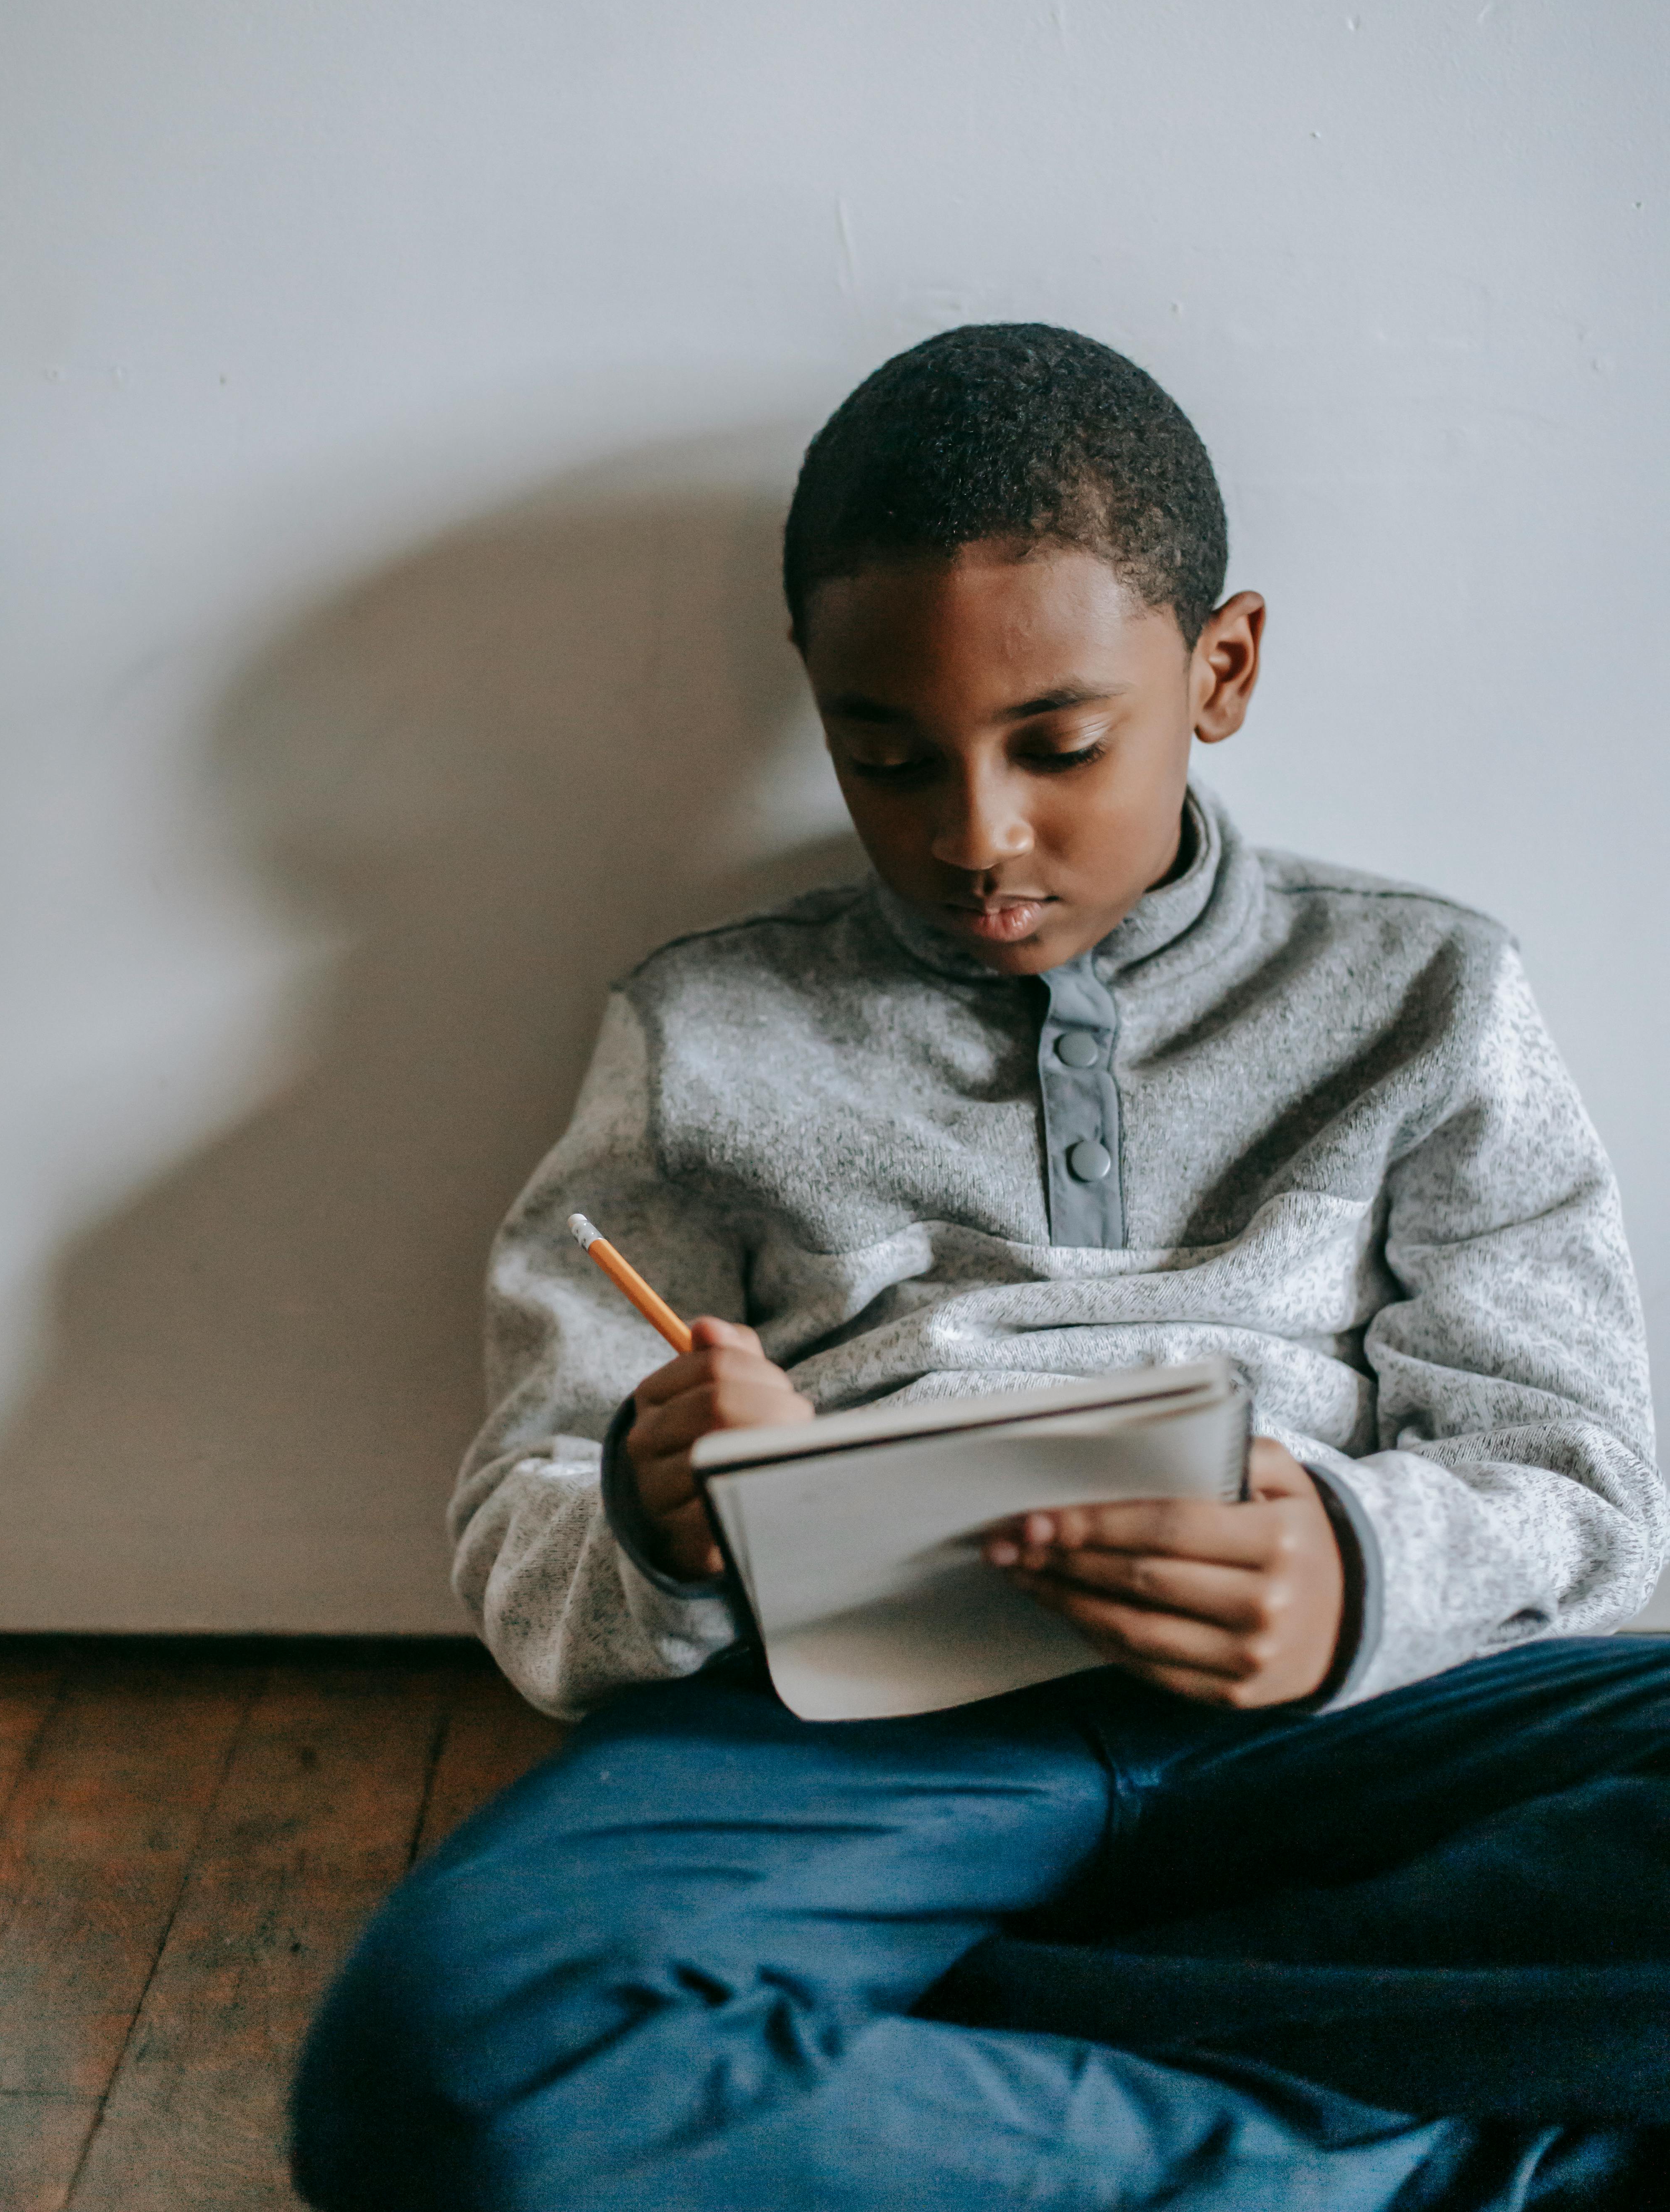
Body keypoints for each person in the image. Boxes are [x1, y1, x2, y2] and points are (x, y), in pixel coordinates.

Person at [292, 324, 1670, 2211]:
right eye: (886, 757)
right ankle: (1432, 2165)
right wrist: (654, 1509)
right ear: (817, 701)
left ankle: (916, 2069)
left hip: (1364, 1727)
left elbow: (1588, 1486)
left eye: (1060, 746)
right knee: (445, 2059)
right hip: (858, 1747)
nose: (976, 838)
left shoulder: (1426, 995)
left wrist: (1352, 1565)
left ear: (1224, 668)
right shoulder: (707, 1034)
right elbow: (529, 1547)